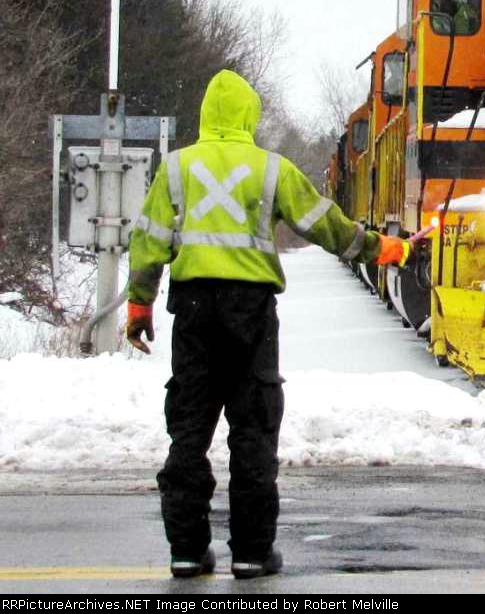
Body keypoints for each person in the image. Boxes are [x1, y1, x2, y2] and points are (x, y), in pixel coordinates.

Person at [125, 70, 411, 580]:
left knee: (188, 430)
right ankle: (253, 553)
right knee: (253, 430)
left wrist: (140, 306)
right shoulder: (270, 170)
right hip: (250, 314)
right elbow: (324, 223)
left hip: (192, 311)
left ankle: (187, 551)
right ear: (249, 116)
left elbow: (148, 243)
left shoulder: (176, 169)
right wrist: (379, 248)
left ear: (206, 114)